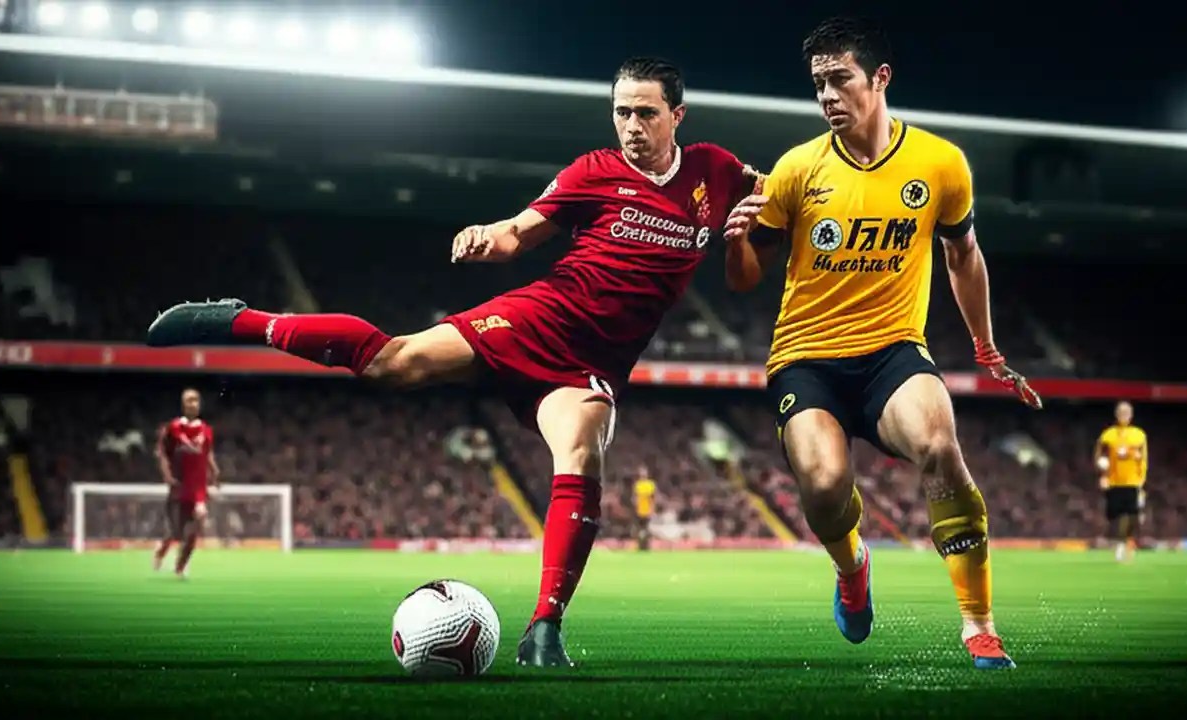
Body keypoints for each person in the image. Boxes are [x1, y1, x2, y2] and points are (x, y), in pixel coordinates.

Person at [146, 56, 754, 668]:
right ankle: (239, 320)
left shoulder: (716, 171)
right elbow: (518, 233)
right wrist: (487, 236)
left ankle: (544, 629)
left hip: (594, 362)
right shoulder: (592, 171)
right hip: (541, 317)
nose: (631, 125)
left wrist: (758, 226)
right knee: (395, 363)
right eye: (621, 112)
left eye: (645, 112)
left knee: (581, 454)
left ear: (677, 116)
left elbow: (782, 197)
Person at [723, 16, 1041, 670]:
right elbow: (746, 277)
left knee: (940, 445)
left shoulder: (940, 163)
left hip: (893, 351)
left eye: (840, 79)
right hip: (805, 358)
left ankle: (979, 626)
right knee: (823, 485)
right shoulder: (796, 169)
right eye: (818, 84)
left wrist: (985, 346)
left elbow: (963, 256)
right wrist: (734, 243)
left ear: (880, 78)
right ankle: (852, 568)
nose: (827, 95)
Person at [152, 388, 220, 578]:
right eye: (189, 400)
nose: (193, 404)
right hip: (180, 485)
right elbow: (162, 452)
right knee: (176, 531)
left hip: (198, 487)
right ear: (183, 405)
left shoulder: (206, 429)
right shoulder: (174, 427)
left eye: (196, 400)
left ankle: (180, 566)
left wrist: (215, 472)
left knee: (196, 526)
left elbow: (208, 453)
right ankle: (162, 550)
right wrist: (167, 474)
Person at [1095, 401, 1147, 562]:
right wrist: (1102, 475)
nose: (1123, 416)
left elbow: (1144, 459)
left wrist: (1142, 479)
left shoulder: (1139, 435)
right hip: (1113, 481)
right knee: (1114, 516)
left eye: (1126, 413)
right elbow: (1099, 454)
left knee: (1132, 515)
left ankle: (1123, 544)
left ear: (1131, 415)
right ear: (1116, 415)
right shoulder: (1108, 435)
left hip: (1132, 481)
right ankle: (1118, 544)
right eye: (1121, 413)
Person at [632, 465, 657, 551]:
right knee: (639, 529)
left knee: (647, 529)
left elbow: (653, 498)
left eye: (644, 473)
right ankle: (640, 545)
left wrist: (652, 509)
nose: (643, 475)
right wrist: (635, 506)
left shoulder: (650, 484)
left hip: (647, 511)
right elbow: (635, 497)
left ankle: (647, 545)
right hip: (639, 511)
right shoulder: (637, 485)